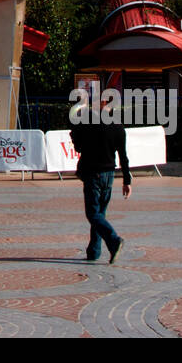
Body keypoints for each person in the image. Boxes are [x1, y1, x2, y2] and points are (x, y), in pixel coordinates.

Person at [69, 95, 132, 263]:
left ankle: (114, 240)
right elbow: (123, 156)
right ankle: (94, 251)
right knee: (100, 213)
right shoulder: (118, 126)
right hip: (109, 174)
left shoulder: (89, 123)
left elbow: (79, 146)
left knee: (92, 214)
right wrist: (127, 181)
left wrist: (74, 136)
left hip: (93, 172)